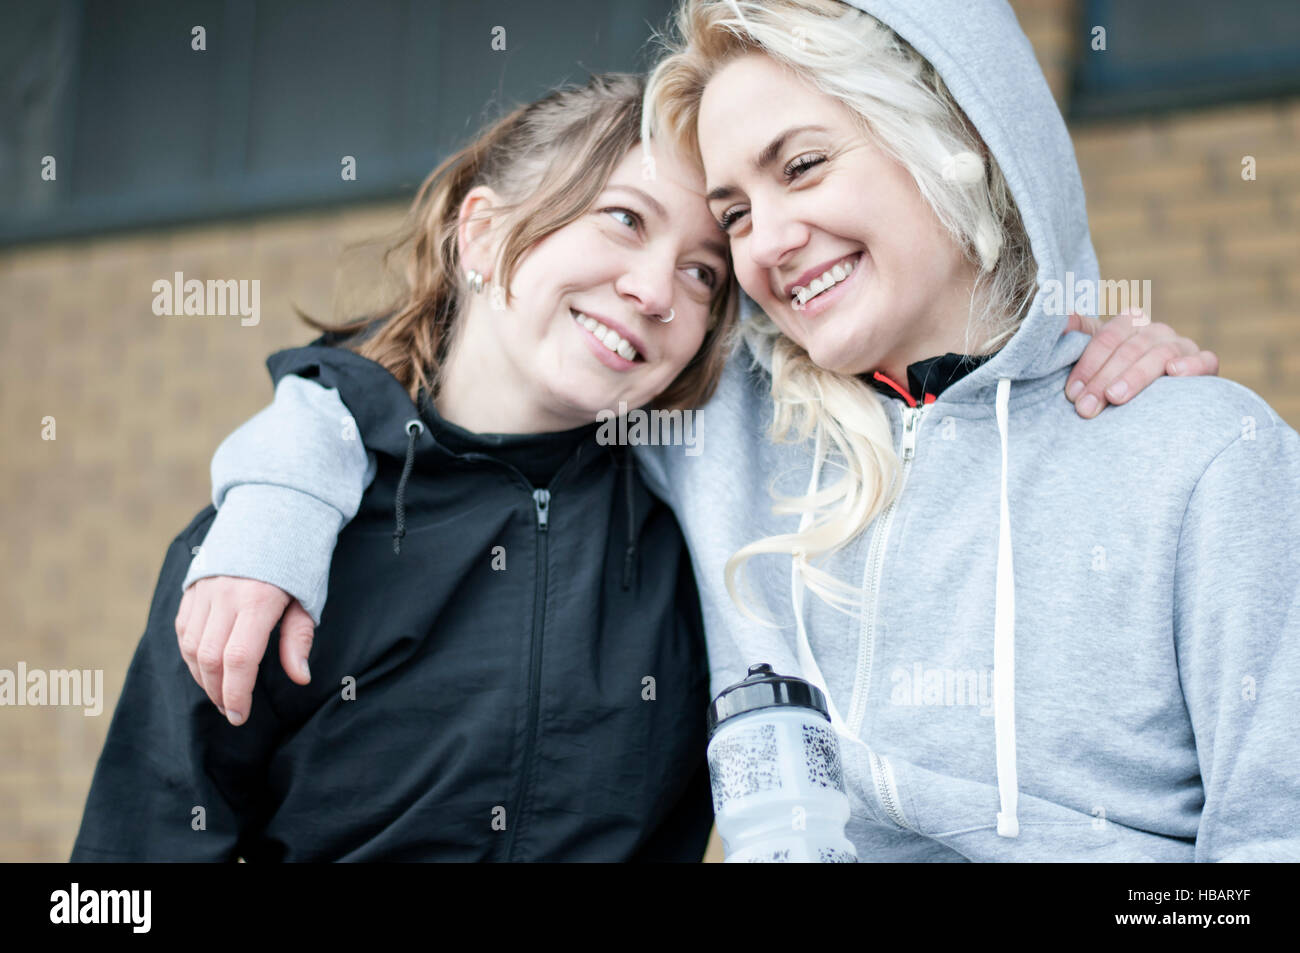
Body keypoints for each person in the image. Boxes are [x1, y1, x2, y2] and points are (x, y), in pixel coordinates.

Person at [170, 0, 1249, 862]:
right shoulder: (718, 420)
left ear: (956, 139)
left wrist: (1083, 326)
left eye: (803, 165)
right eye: (733, 212)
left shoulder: (1197, 452)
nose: (765, 242)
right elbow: (429, 382)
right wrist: (285, 489)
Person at [72, 73, 735, 861]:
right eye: (625, 219)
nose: (658, 289)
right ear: (482, 234)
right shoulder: (273, 541)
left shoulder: (696, 541)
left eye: (705, 272)